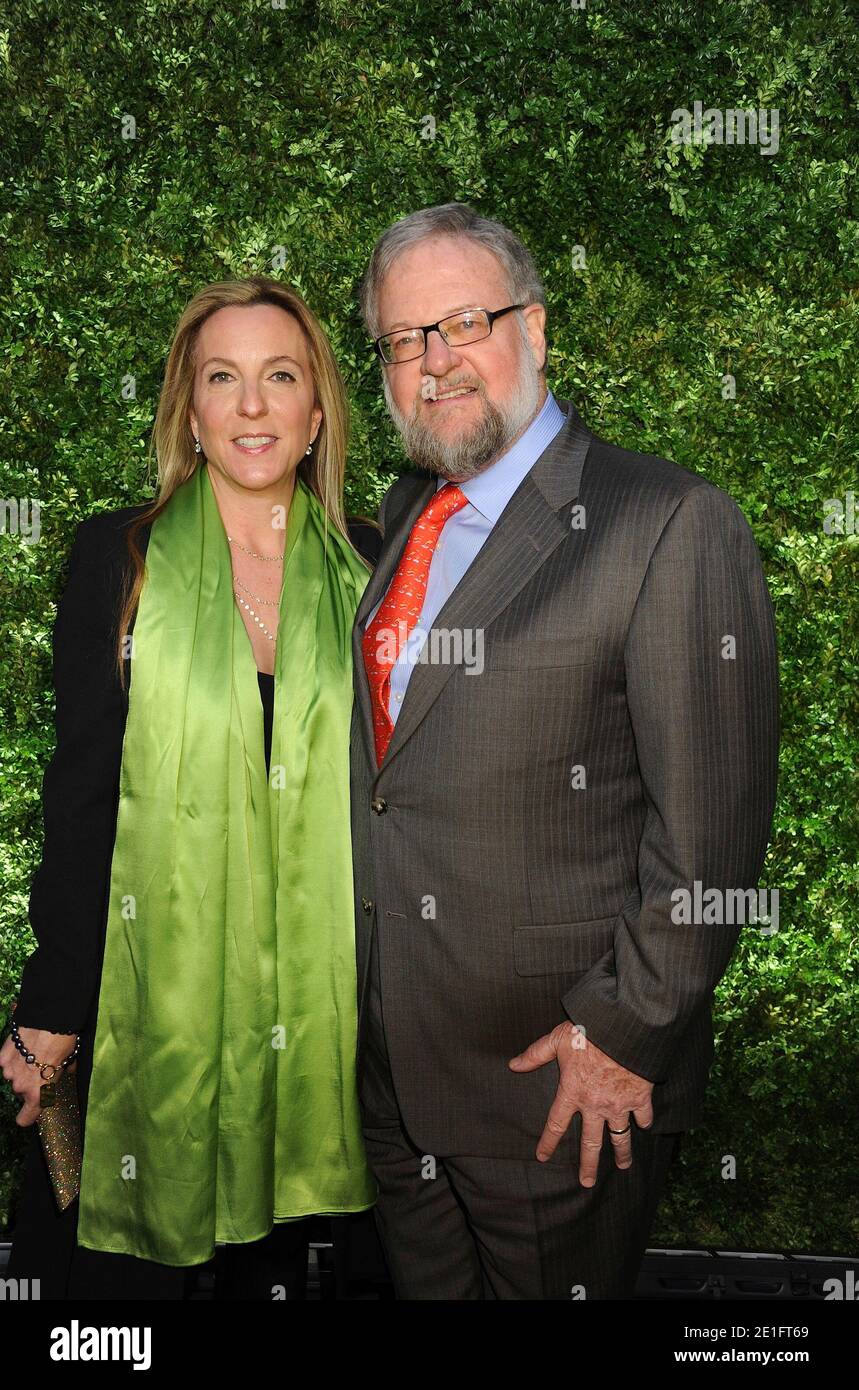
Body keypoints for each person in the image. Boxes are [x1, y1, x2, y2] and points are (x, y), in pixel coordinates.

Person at [349, 203, 780, 1299]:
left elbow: (714, 843)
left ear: (533, 328)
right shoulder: (407, 515)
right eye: (404, 340)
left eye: (463, 322)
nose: (434, 362)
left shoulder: (666, 522)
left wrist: (624, 1034)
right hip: (396, 1088)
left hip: (557, 1091)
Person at [2, 276, 382, 1299]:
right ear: (190, 409)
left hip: (329, 1032)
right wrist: (51, 1009)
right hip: (146, 1013)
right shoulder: (116, 559)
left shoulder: (378, 567)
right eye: (224, 378)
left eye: (279, 377)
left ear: (314, 413)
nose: (251, 405)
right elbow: (80, 798)